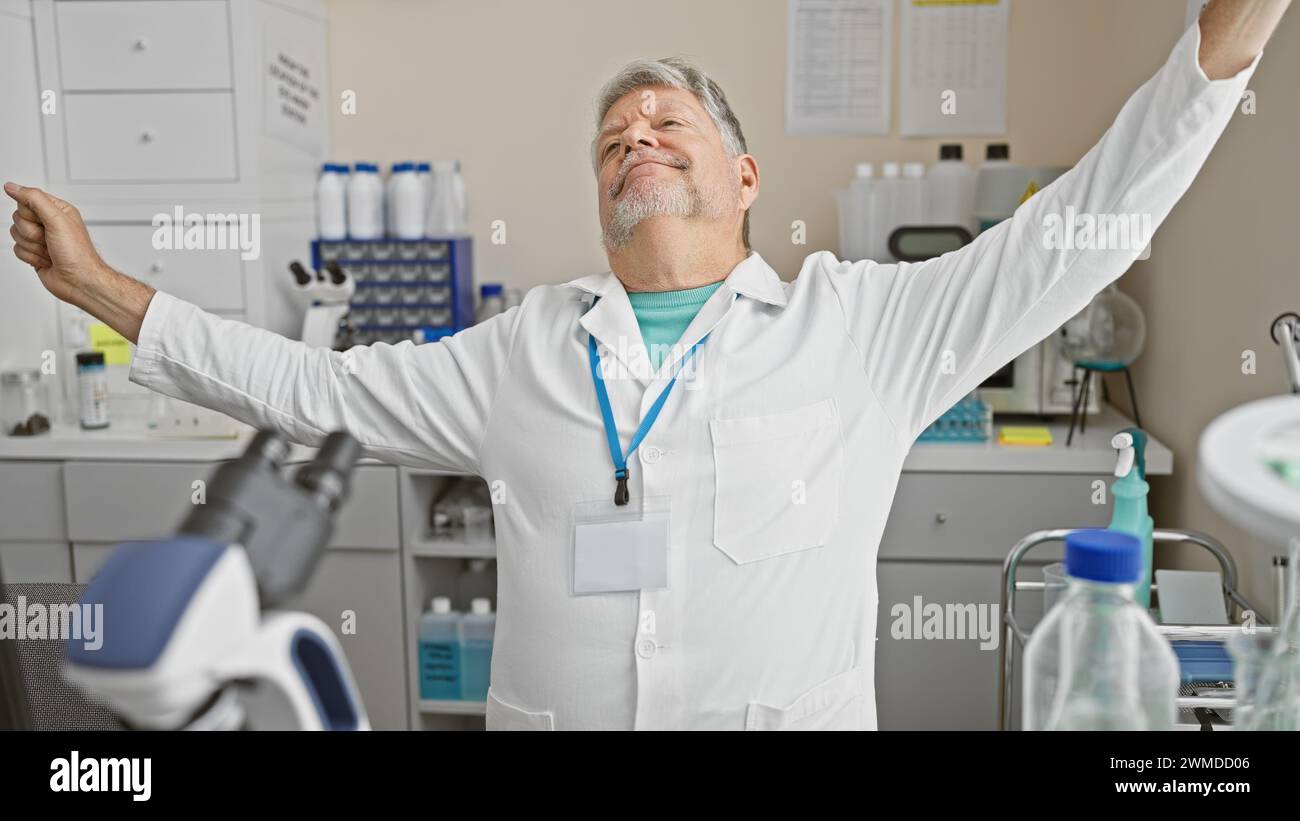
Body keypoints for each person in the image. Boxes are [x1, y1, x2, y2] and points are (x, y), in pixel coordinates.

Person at [6, 0, 1289, 730]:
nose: (637, 135)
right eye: (614, 136)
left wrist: (1219, 46)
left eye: (669, 119)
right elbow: (316, 392)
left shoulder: (866, 327)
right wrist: (98, 285)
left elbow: (1078, 233)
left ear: (742, 177)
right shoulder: (522, 351)